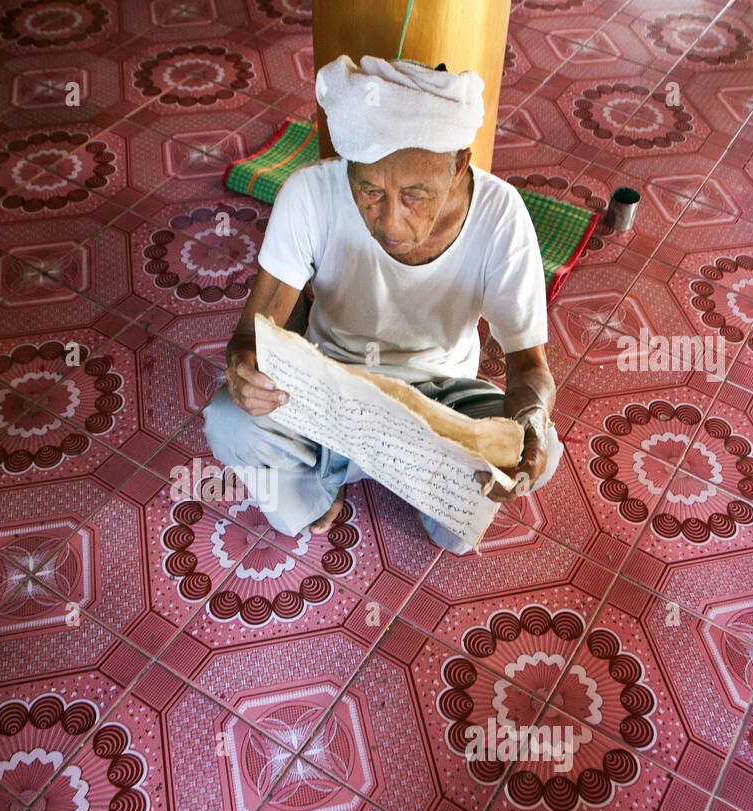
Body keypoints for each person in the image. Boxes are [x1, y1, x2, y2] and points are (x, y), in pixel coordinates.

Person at [202, 55, 561, 552]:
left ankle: (422, 485)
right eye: (369, 191)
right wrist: (243, 370)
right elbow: (249, 336)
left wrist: (533, 422)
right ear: (348, 163)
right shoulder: (309, 193)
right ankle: (318, 490)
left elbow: (529, 368)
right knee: (228, 421)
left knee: (537, 456)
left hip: (444, 398)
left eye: (415, 195)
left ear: (457, 166)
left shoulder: (500, 215)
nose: (390, 223)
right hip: (333, 389)